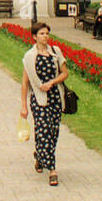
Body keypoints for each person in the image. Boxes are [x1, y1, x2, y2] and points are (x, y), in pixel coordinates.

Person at [20, 21, 69, 186]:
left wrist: (52, 83)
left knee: (53, 133)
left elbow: (65, 73)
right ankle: (52, 170)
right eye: (41, 33)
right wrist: (24, 106)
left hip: (55, 97)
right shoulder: (29, 57)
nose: (45, 36)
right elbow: (25, 83)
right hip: (39, 100)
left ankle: (40, 157)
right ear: (34, 37)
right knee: (43, 131)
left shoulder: (56, 52)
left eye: (47, 33)